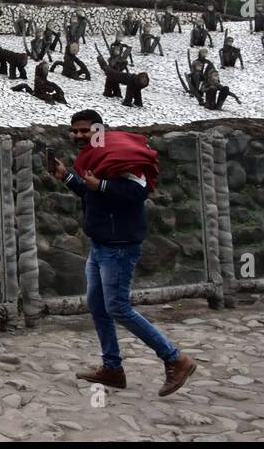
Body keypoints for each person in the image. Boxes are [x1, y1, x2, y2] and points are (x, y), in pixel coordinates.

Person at [48, 109, 196, 396]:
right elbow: (93, 192)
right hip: (101, 243)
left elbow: (138, 192)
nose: (78, 136)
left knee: (117, 307)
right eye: (74, 131)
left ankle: (175, 359)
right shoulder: (96, 156)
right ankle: (112, 368)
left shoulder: (121, 153)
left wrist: (100, 184)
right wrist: (67, 177)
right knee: (99, 306)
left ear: (100, 130)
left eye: (84, 130)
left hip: (119, 247)